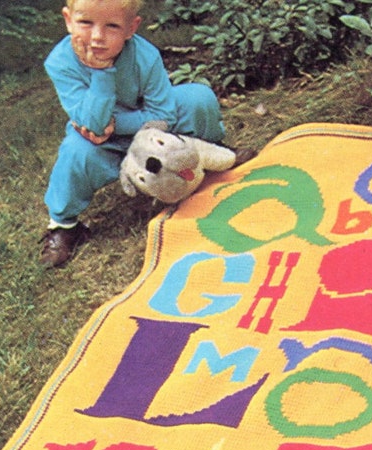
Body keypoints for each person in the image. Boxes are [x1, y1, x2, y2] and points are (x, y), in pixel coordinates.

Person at [40, 0, 232, 267]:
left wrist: (116, 125)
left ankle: (211, 152)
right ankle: (63, 225)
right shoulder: (60, 63)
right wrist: (102, 73)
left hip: (153, 130)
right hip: (102, 142)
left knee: (196, 98)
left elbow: (164, 115)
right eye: (86, 23)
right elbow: (93, 124)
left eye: (112, 26)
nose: (97, 37)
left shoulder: (145, 55)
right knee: (75, 152)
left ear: (131, 28)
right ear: (68, 20)